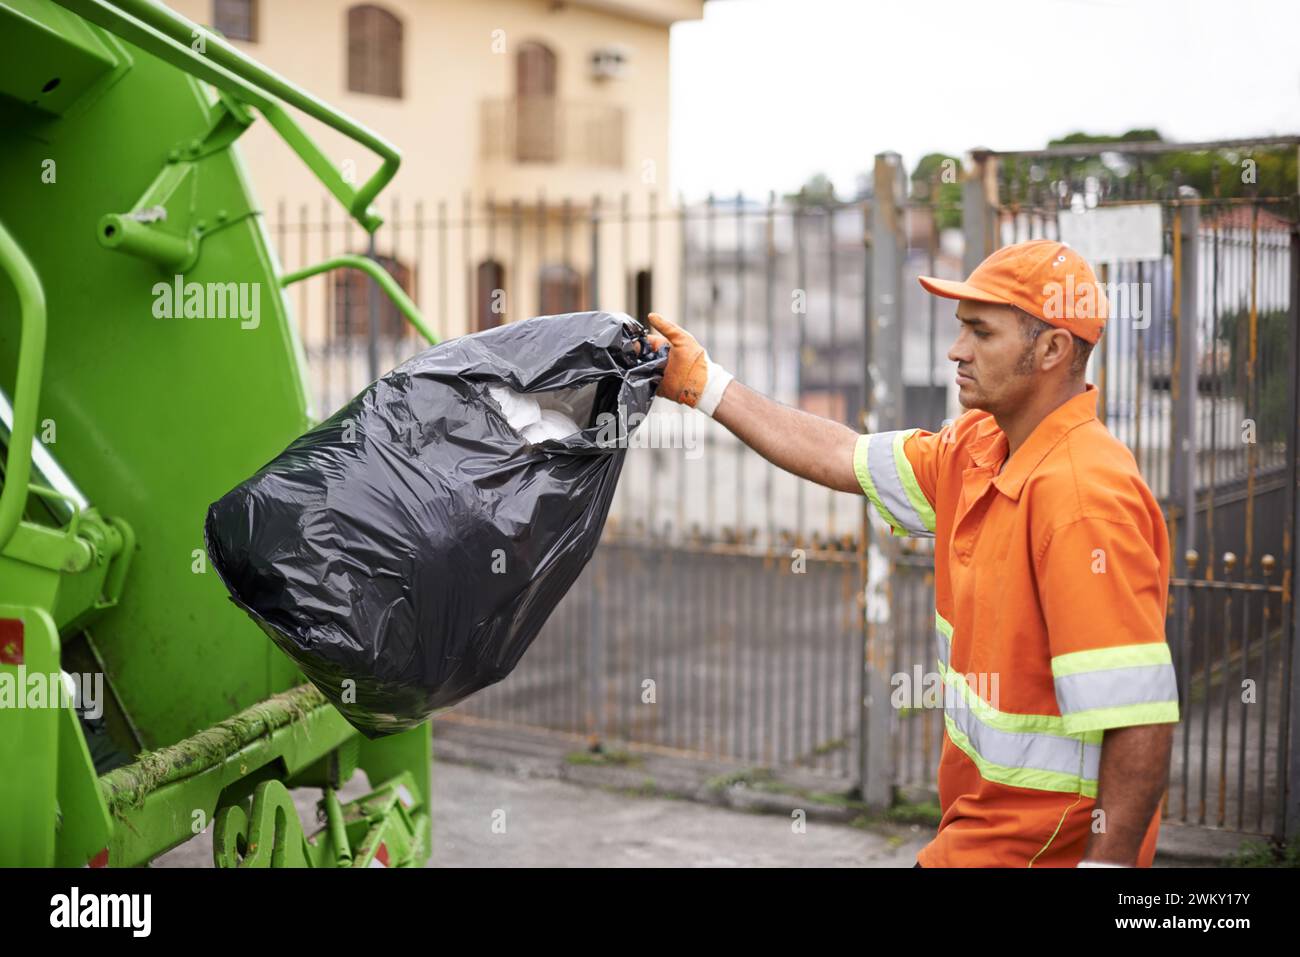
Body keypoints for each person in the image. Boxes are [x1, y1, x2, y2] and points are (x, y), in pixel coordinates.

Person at [645, 238, 1180, 868]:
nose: (956, 351)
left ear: (1053, 349)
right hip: (979, 834)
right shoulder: (979, 447)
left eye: (981, 332)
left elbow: (1139, 718)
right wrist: (704, 384)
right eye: (960, 330)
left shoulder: (1084, 497)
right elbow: (840, 454)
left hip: (1042, 852)